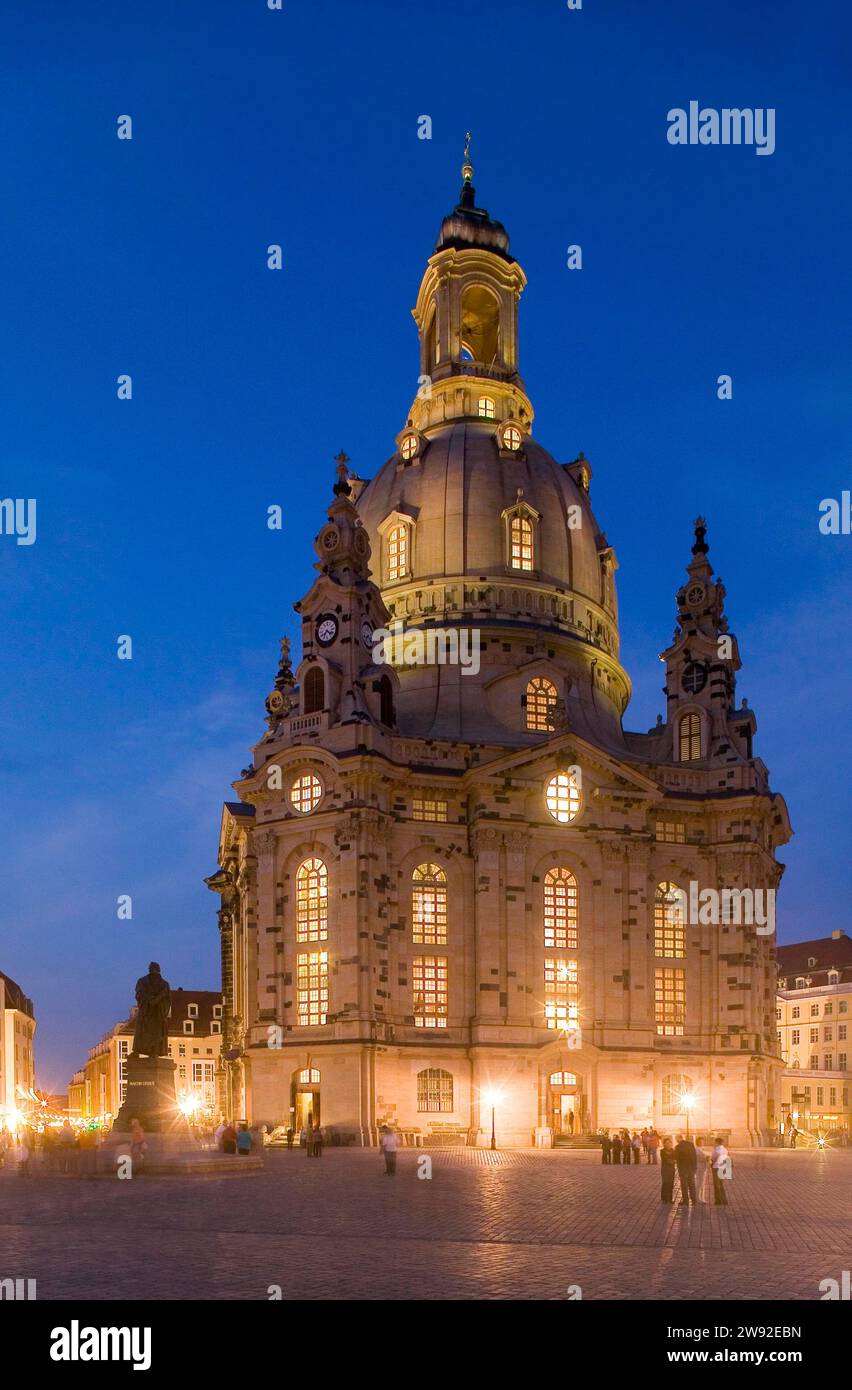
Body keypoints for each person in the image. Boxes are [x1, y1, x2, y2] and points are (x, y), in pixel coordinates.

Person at [674, 1133, 699, 1206]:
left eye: (676, 1139)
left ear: (679, 1138)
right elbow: (694, 1156)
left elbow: (676, 1157)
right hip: (691, 1168)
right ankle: (694, 1201)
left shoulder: (678, 1147)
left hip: (683, 1169)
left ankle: (686, 1201)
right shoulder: (690, 1144)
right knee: (692, 1185)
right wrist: (695, 1167)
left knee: (684, 1186)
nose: (676, 1141)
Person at [710, 1137, 730, 1206]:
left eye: (715, 1142)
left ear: (717, 1142)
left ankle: (718, 1201)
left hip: (716, 1168)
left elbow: (713, 1158)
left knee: (716, 1185)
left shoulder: (716, 1150)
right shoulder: (725, 1150)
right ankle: (724, 1200)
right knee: (721, 1184)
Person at [660, 1137, 676, 1202]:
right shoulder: (662, 1151)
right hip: (665, 1170)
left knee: (671, 1184)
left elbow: (675, 1159)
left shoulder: (673, 1151)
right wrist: (673, 1161)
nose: (669, 1144)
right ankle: (664, 1198)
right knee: (665, 1183)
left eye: (670, 1142)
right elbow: (666, 1160)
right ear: (664, 1144)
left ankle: (670, 1198)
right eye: (667, 1143)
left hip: (672, 1170)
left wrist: (672, 1160)